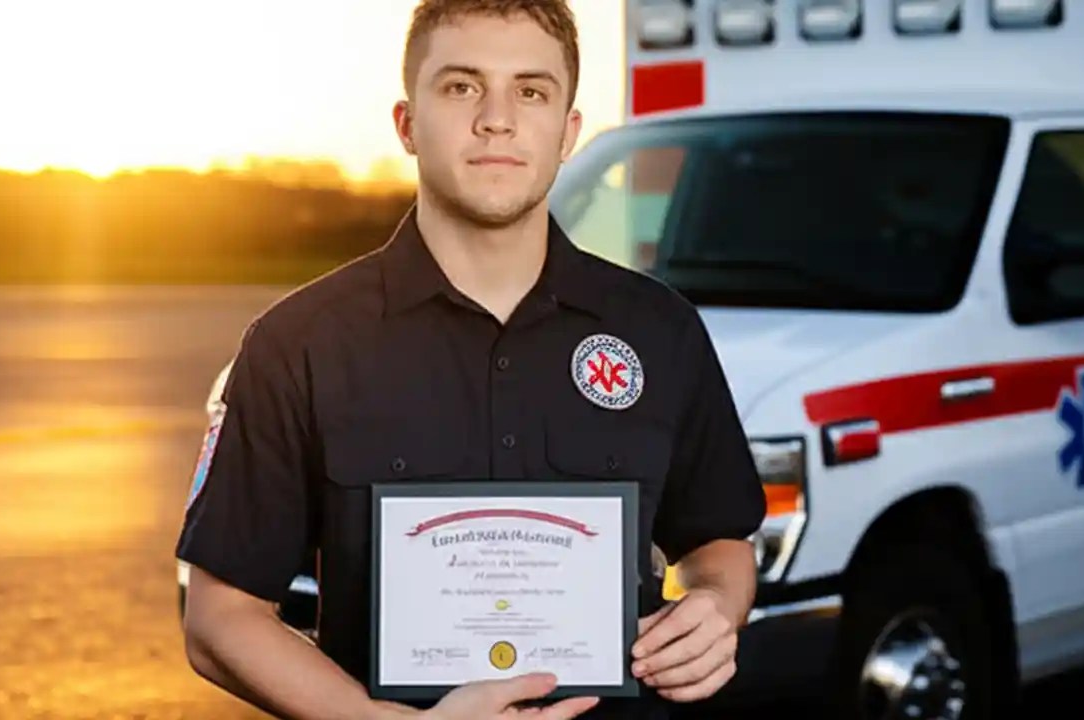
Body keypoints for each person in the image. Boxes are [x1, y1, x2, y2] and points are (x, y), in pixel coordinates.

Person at [174, 1, 767, 718]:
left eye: (531, 90)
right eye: (461, 87)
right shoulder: (297, 343)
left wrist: (716, 606)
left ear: (568, 131)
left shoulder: (660, 330)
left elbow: (718, 541)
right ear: (407, 124)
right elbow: (219, 618)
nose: (497, 118)